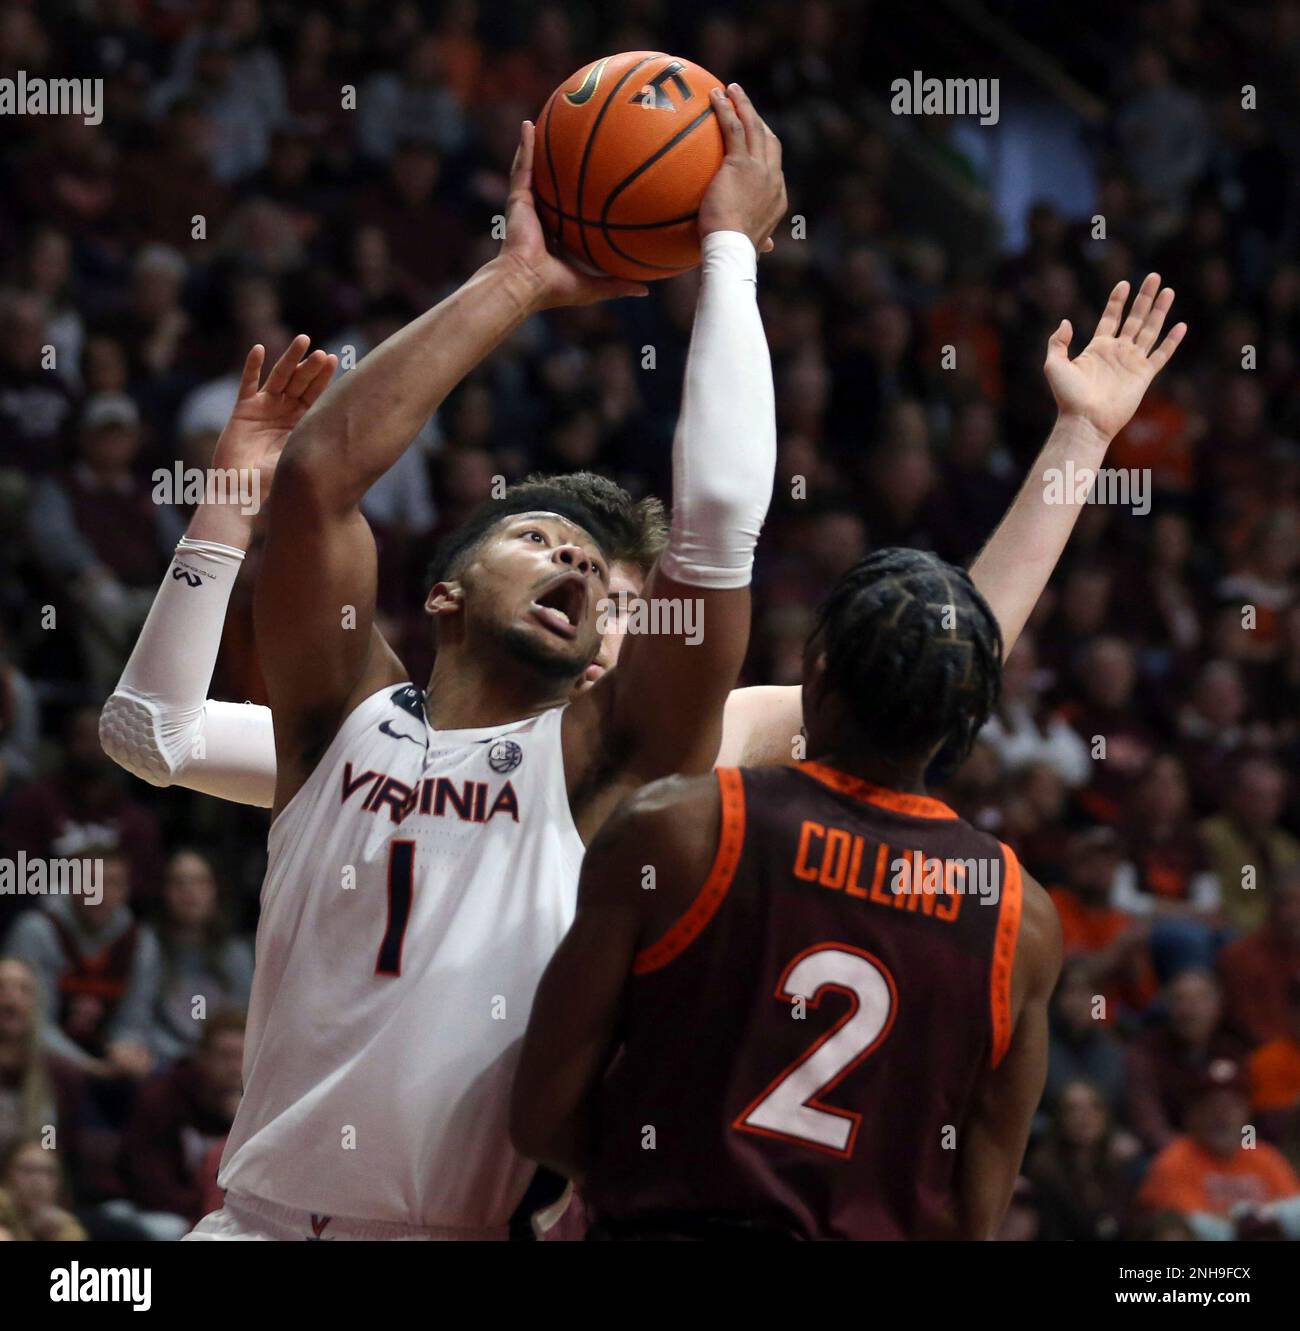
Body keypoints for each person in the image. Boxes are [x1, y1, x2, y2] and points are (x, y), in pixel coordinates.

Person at [177, 89, 785, 1240]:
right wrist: (514, 281)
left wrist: (728, 259)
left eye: (596, 566)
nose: (576, 557)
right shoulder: (335, 720)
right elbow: (314, 480)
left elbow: (713, 528)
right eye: (539, 537)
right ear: (443, 592)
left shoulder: (602, 766)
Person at [510, 549, 1063, 1240]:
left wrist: (648, 1184)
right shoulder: (1019, 917)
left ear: (817, 675)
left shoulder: (680, 828)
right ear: (969, 721)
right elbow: (976, 1218)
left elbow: (542, 1114)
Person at [1136, 1059, 1300, 1239]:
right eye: (1212, 1105)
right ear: (1193, 1114)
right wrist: (1258, 1219)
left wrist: (1250, 1218)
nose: (1222, 1115)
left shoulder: (1264, 1156)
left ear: (1247, 1113)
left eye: (1232, 1105)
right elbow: (1191, 1226)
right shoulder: (1173, 1160)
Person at [142, 850, 253, 1062]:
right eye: (179, 883)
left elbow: (244, 1021)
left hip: (223, 1063)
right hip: (162, 1060)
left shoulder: (236, 953)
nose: (189, 891)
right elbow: (135, 1021)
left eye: (200, 882)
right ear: (164, 892)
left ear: (215, 891)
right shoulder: (148, 946)